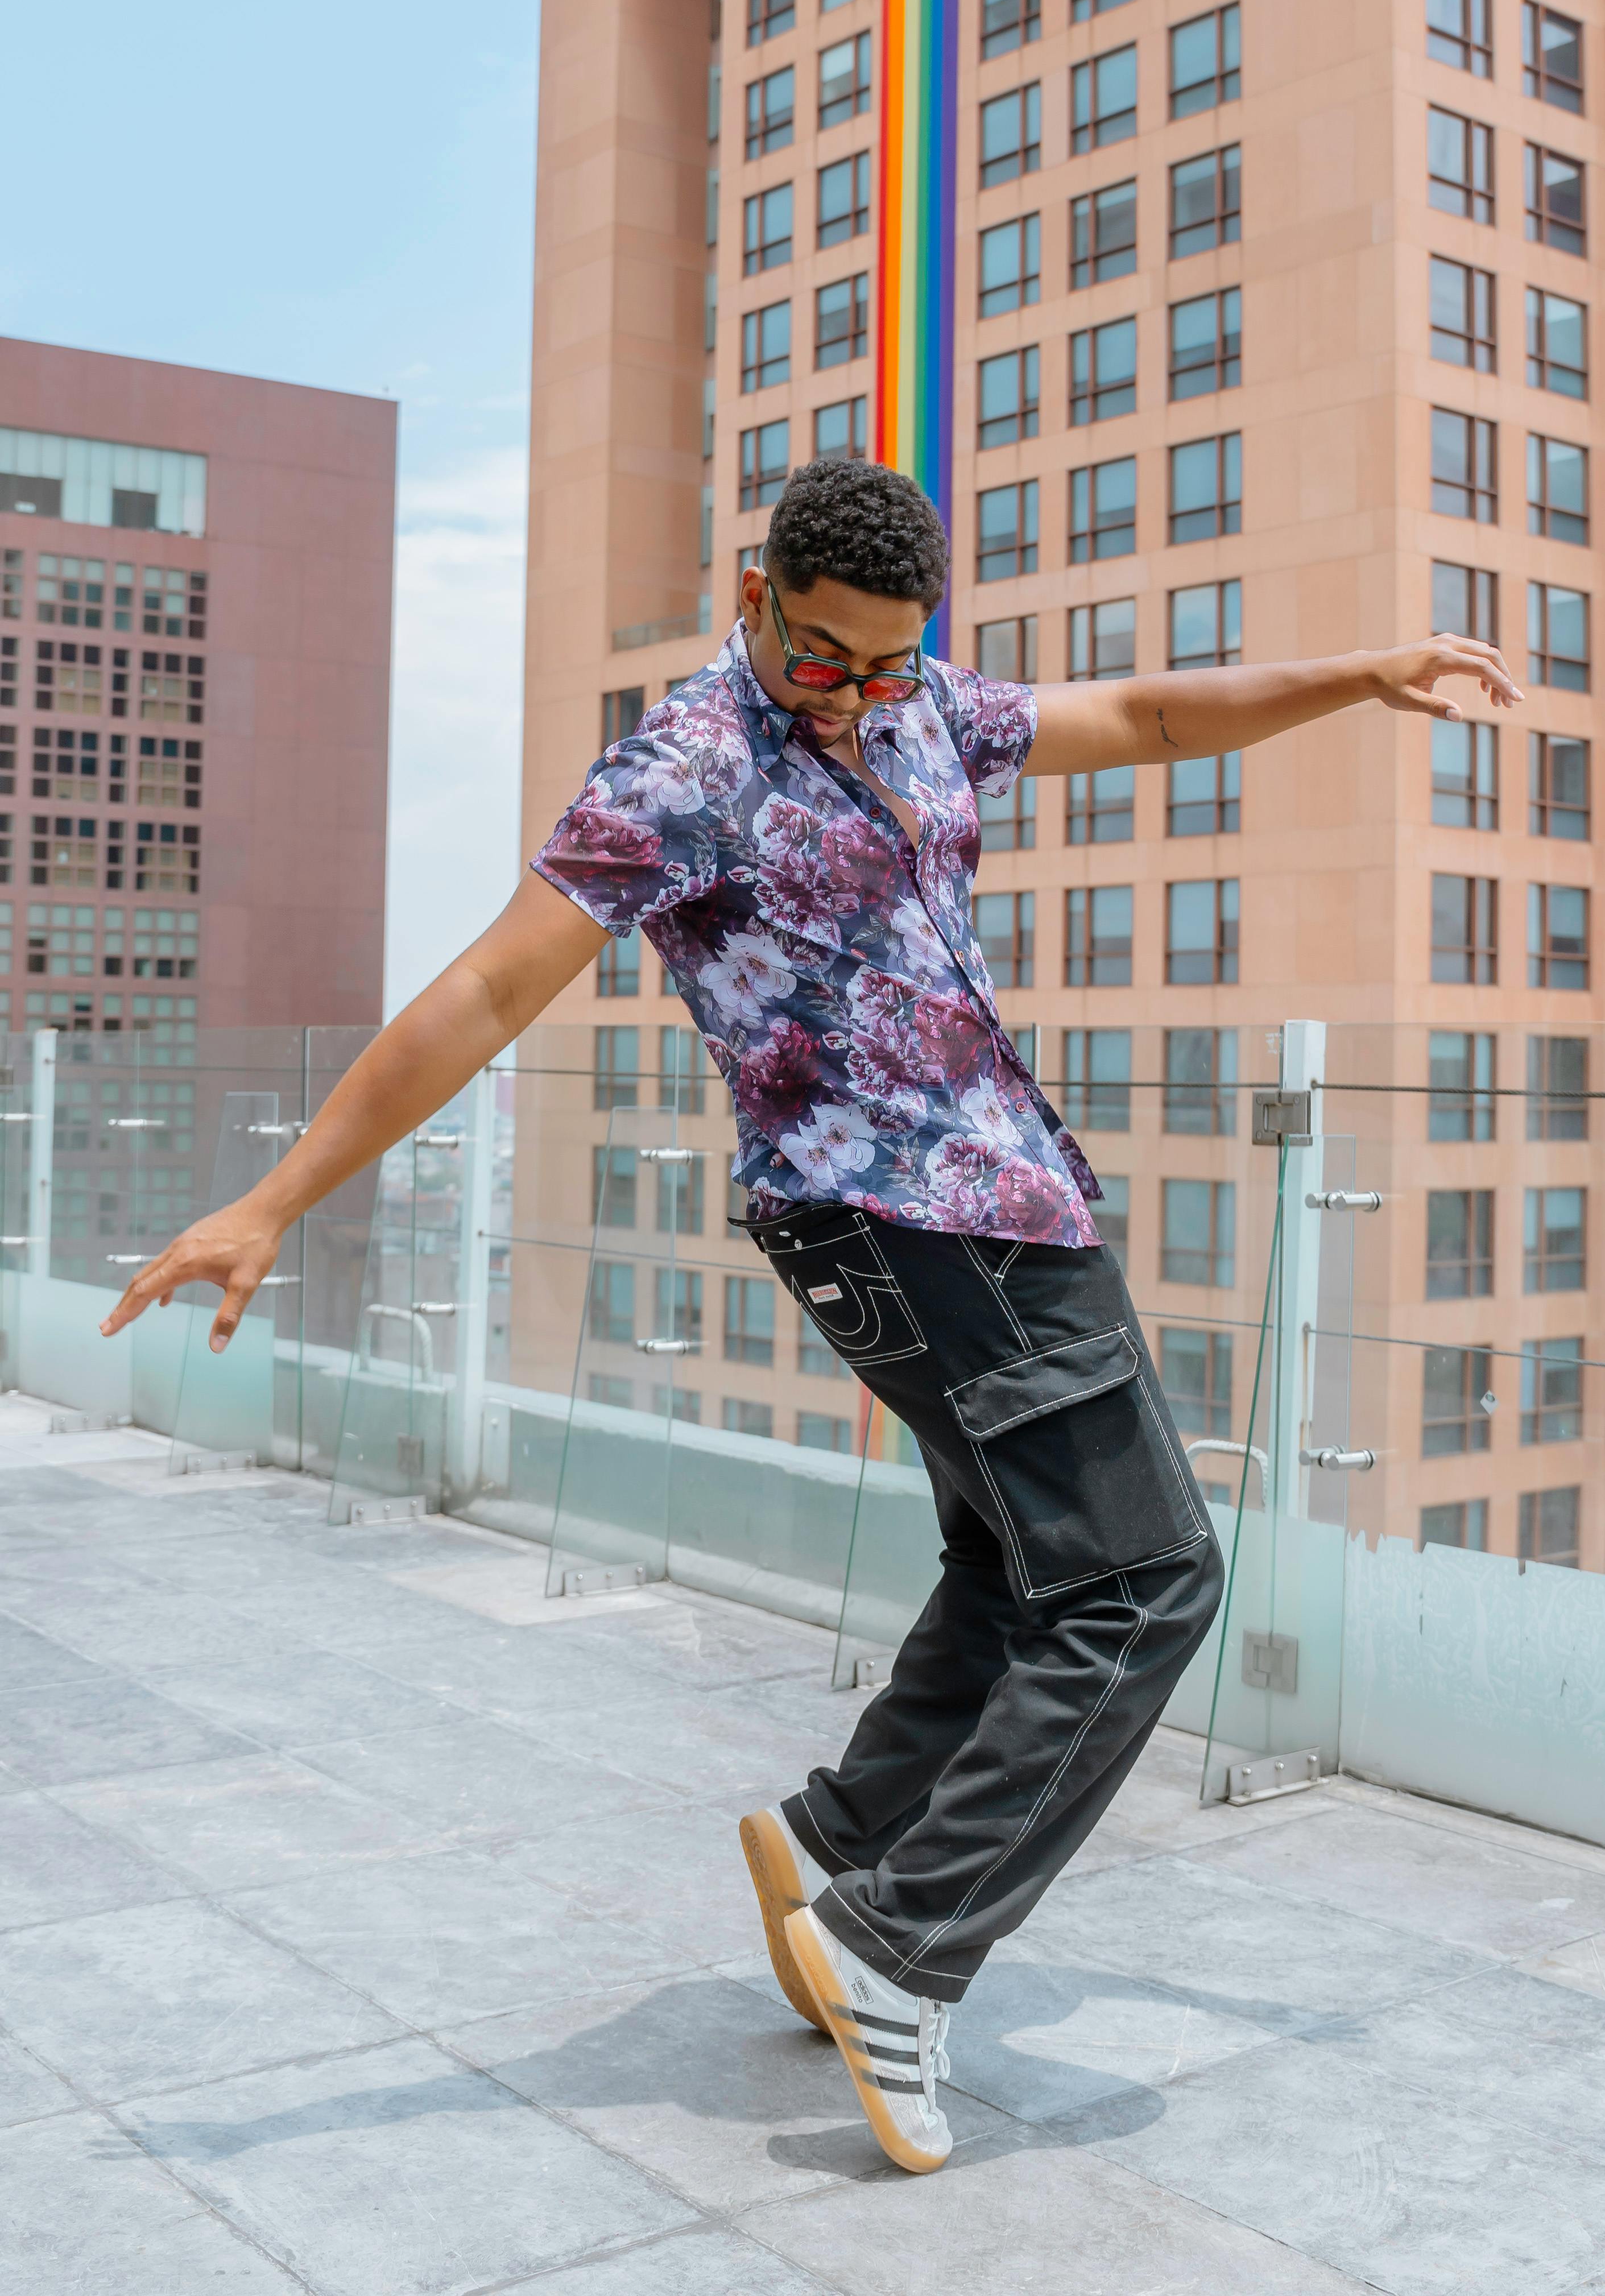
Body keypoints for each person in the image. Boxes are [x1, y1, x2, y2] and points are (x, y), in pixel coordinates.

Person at [100, 456, 1520, 2175]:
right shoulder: (688, 769)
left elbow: (1145, 713)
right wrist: (270, 1200)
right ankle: (901, 1944)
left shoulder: (923, 713)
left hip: (994, 1209)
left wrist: (1358, 673)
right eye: (822, 656)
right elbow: (484, 985)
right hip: (918, 1228)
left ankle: (844, 1839)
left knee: (1023, 1561)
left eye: (888, 662)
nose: (851, 695)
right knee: (1151, 1578)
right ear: (758, 599)